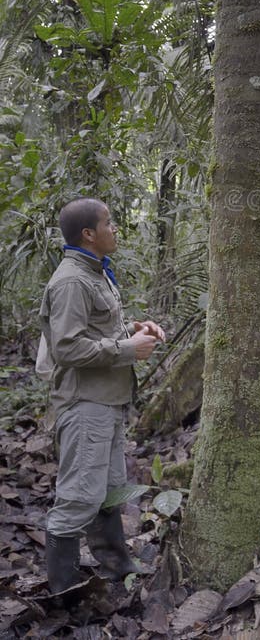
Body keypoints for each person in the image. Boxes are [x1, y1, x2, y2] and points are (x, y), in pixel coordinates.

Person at [39, 197, 165, 594]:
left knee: (108, 490)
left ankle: (116, 568)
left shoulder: (94, 272)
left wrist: (135, 330)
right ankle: (63, 594)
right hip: (84, 403)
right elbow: (67, 348)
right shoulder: (72, 281)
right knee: (79, 497)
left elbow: (97, 327)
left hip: (107, 399)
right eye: (108, 223)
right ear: (88, 234)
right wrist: (128, 349)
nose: (115, 229)